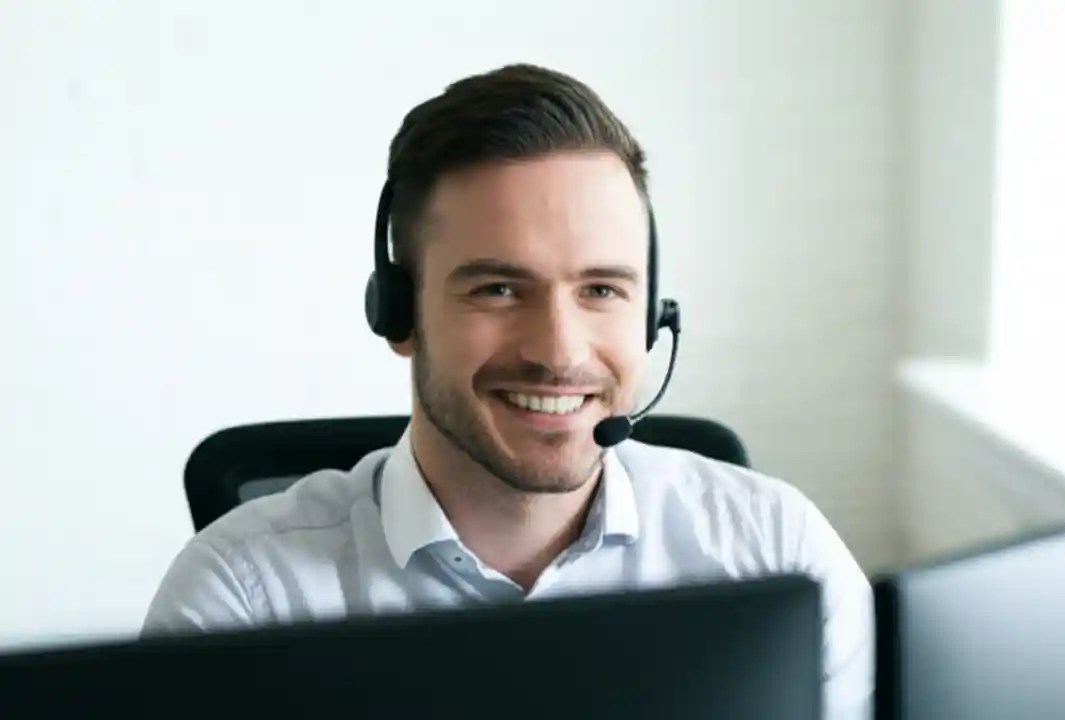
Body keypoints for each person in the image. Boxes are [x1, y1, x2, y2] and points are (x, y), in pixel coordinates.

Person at [144, 63, 873, 717]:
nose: (559, 351)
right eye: (497, 288)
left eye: (601, 289)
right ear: (399, 313)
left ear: (650, 315)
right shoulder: (243, 601)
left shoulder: (778, 551)